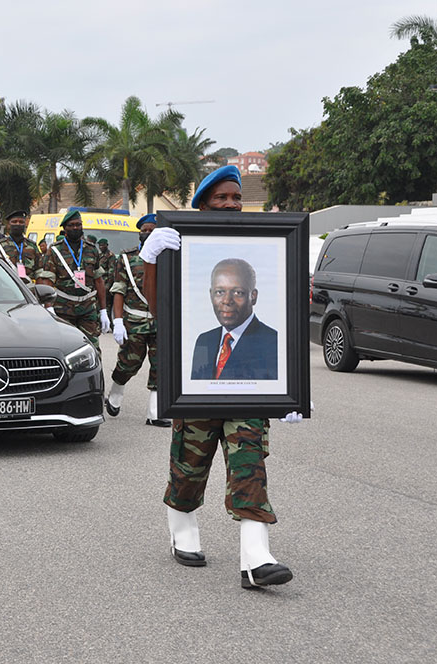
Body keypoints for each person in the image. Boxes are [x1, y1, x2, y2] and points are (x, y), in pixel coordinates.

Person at [139, 164, 303, 589]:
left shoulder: (264, 250)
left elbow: (292, 322)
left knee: (249, 465)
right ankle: (182, 530)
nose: (231, 204)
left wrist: (291, 391)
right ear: (203, 205)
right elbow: (161, 310)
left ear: (252, 294)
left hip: (248, 398)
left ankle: (256, 557)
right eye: (221, 198)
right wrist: (152, 259)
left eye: (236, 197)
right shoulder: (202, 330)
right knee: (188, 467)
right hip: (196, 395)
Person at [105, 215, 169, 427]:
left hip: (161, 321)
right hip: (135, 320)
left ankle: (155, 412)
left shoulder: (169, 255)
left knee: (161, 365)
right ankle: (115, 394)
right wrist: (118, 321)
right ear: (139, 233)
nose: (148, 233)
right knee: (128, 364)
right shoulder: (126, 258)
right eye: (145, 230)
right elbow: (118, 290)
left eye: (153, 230)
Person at [191, 258, 278, 380]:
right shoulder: (204, 341)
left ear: (253, 297)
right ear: (211, 295)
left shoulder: (274, 344)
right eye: (220, 292)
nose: (227, 301)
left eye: (238, 293)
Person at [36, 209, 110, 350]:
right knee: (65, 349)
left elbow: (98, 280)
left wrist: (104, 310)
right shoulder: (54, 250)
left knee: (92, 349)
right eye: (71, 225)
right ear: (65, 228)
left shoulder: (91, 249)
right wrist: (49, 307)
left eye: (78, 224)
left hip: (87, 308)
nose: (75, 228)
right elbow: (47, 280)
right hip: (63, 309)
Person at [0, 210, 40, 281]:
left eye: (21, 222)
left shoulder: (32, 246)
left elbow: (39, 269)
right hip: (7, 285)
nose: (18, 224)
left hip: (28, 287)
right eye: (14, 222)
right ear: (8, 225)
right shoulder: (0, 245)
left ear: (25, 225)